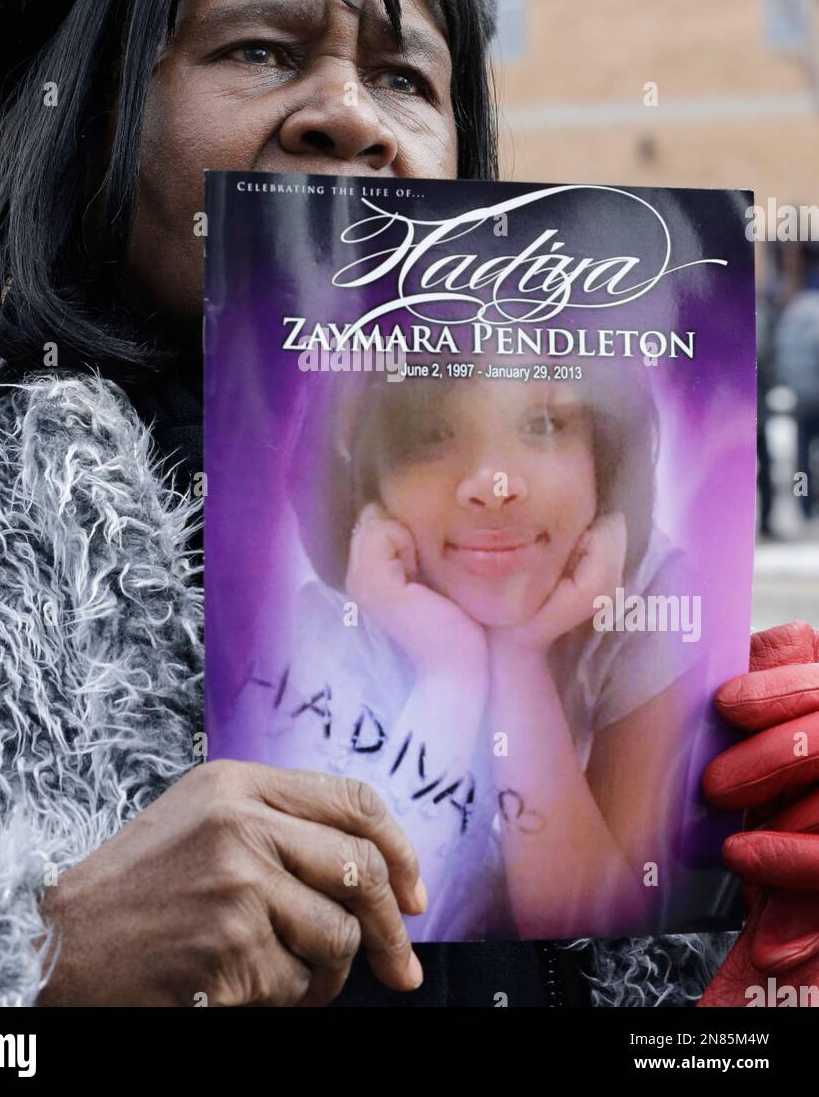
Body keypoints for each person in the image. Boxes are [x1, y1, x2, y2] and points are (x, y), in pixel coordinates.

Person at [0, 0, 816, 1009]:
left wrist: (758, 959)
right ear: (87, 116)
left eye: (403, 74)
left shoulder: (563, 540)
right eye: (260, 49)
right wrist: (40, 968)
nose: (350, 112)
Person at [247, 367, 705, 943]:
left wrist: (519, 659)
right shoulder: (323, 624)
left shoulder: (652, 596)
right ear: (368, 479)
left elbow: (601, 943)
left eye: (542, 425)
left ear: (605, 451)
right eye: (435, 432)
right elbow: (353, 931)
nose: (494, 485)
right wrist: (451, 676)